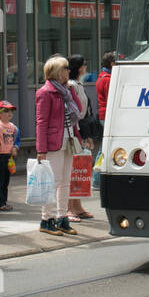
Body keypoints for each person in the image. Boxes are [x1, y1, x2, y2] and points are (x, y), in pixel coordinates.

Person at [35, 56, 83, 237]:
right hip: (53, 142)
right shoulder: (45, 93)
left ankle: (62, 217)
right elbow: (41, 122)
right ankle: (46, 219)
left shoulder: (66, 92)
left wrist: (70, 91)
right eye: (65, 68)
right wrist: (41, 149)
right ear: (56, 71)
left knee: (65, 182)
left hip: (68, 139)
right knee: (52, 182)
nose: (69, 71)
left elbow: (79, 111)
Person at [65, 55, 94, 222]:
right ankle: (70, 207)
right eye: (84, 64)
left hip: (79, 129)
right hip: (74, 130)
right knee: (72, 170)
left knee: (77, 170)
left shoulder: (77, 85)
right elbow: (77, 112)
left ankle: (77, 206)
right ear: (78, 68)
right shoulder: (71, 86)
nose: (86, 67)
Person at [0, 101, 18, 212]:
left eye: (11, 111)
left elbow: (16, 139)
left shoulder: (12, 127)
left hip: (8, 156)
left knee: (6, 180)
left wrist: (15, 148)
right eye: (6, 111)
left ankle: (4, 201)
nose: (9, 113)